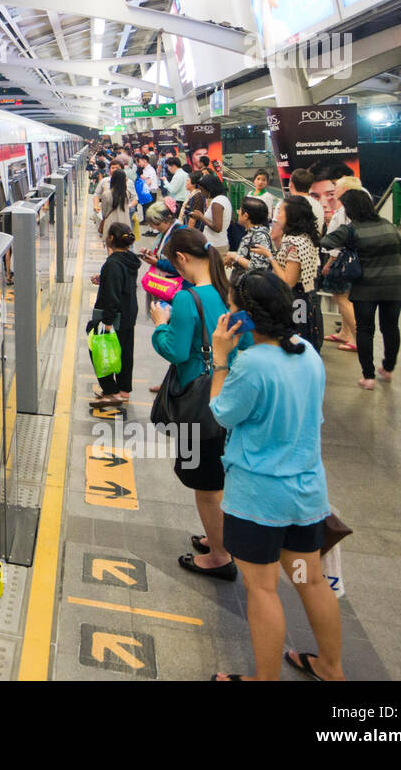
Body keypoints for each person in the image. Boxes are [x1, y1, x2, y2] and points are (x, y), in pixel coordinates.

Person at [207, 272, 342, 682]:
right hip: (306, 495)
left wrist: (220, 360)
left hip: (259, 499)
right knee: (310, 580)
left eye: (231, 307)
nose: (227, 313)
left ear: (245, 318)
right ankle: (331, 668)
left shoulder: (251, 365)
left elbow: (221, 413)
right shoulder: (308, 353)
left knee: (262, 588)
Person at [151, 228, 252, 580]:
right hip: (232, 396)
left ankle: (219, 557)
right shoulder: (230, 292)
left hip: (199, 404)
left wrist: (159, 327)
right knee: (218, 475)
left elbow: (176, 351)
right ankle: (215, 537)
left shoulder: (184, 299)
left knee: (206, 487)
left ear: (180, 259)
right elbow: (248, 342)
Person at [319, 188, 401, 391]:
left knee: (366, 330)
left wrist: (349, 246)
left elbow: (326, 241)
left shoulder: (352, 229)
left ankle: (368, 377)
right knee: (391, 328)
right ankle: (388, 368)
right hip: (394, 286)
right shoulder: (387, 225)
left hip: (365, 287)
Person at [258, 195, 322, 351]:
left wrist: (270, 257)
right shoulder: (306, 237)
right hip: (304, 298)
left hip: (293, 300)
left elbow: (289, 281)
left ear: (291, 215)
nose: (276, 215)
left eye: (280, 211)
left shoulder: (292, 242)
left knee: (293, 342)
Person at [88, 223, 140, 408]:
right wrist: (103, 280)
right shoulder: (130, 259)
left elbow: (112, 295)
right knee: (125, 352)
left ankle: (111, 391)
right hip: (128, 313)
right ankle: (124, 390)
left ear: (111, 239)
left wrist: (107, 323)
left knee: (99, 349)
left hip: (114, 316)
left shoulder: (112, 263)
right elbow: (121, 283)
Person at [319, 176, 365, 352]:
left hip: (341, 259)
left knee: (341, 298)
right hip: (347, 258)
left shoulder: (346, 211)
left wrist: (330, 262)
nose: (333, 191)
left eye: (336, 188)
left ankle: (357, 338)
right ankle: (345, 333)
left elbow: (341, 239)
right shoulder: (350, 209)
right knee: (346, 297)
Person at [224, 196, 274, 283]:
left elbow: (257, 267)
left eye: (240, 210)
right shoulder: (252, 232)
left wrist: (235, 256)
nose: (238, 212)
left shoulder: (259, 236)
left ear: (246, 216)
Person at [185, 172, 232, 255]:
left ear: (210, 189)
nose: (201, 193)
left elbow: (217, 228)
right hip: (218, 242)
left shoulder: (217, 203)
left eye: (202, 190)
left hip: (215, 245)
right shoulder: (223, 199)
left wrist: (201, 217)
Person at [96, 168, 136, 242]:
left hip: (111, 224)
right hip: (125, 223)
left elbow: (104, 213)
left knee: (111, 246)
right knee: (124, 246)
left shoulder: (106, 194)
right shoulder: (127, 194)